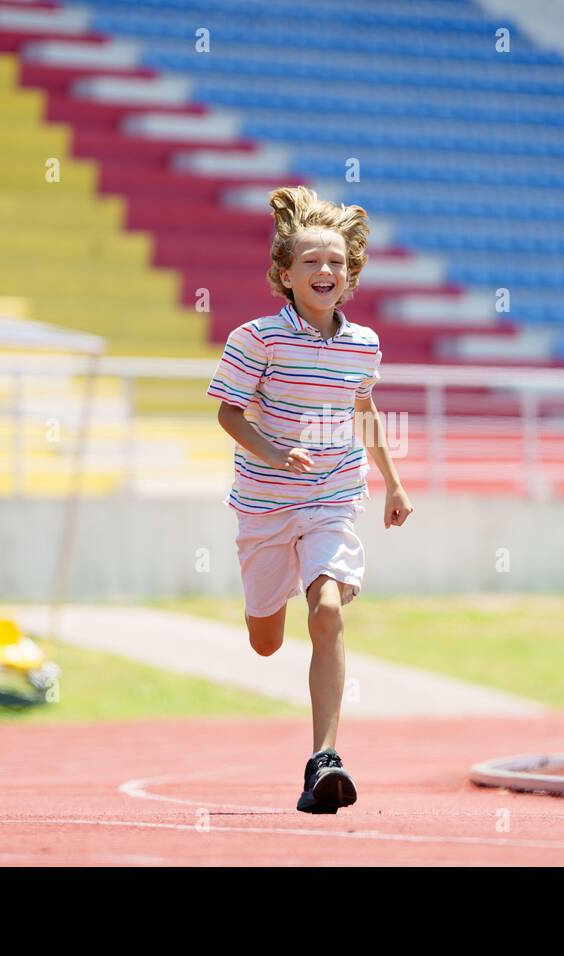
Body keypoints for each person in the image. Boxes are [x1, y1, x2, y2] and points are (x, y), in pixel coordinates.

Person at [206, 185, 414, 813]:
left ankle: (324, 759)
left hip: (332, 498)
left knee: (326, 610)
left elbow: (364, 409)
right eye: (311, 263)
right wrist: (274, 453)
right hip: (265, 505)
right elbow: (228, 414)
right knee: (266, 639)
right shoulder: (257, 339)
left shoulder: (364, 345)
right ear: (285, 274)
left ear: (350, 276)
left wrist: (394, 482)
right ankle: (265, 615)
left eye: (336, 264)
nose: (325, 272)